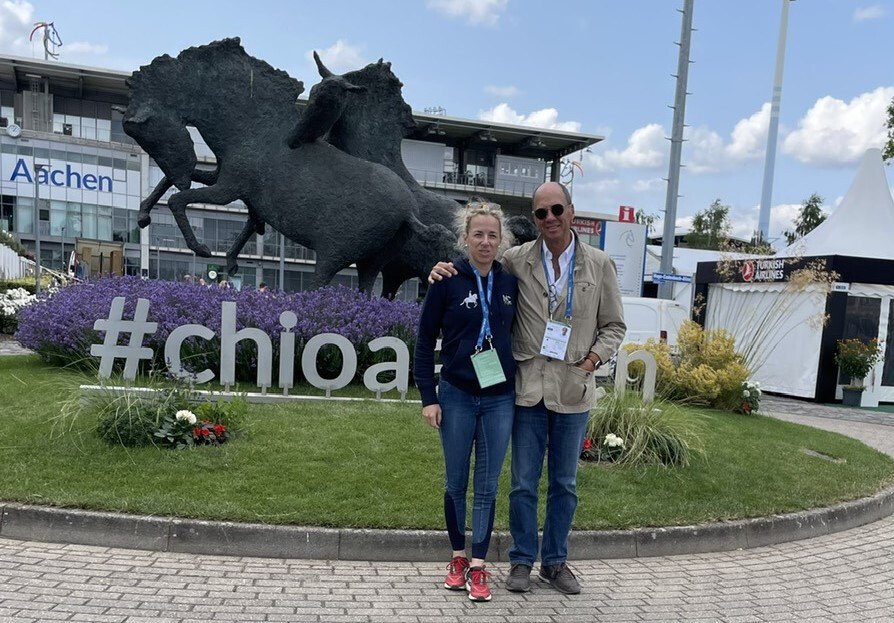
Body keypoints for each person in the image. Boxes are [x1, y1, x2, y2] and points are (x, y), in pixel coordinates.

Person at [429, 182, 626, 595]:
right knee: (521, 482)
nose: (550, 218)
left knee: (565, 485)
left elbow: (614, 326)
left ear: (571, 211)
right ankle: (521, 560)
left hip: (573, 389)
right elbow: (477, 269)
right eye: (541, 213)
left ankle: (554, 562)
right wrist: (441, 268)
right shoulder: (516, 260)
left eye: (557, 210)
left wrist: (592, 361)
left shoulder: (600, 264)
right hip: (526, 390)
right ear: (534, 220)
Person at [414, 200, 518, 602]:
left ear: (501, 240)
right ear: (465, 238)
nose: (486, 241)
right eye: (479, 234)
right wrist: (428, 397)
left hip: (498, 400)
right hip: (455, 396)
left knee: (488, 486)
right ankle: (457, 557)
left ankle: (478, 566)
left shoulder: (510, 283)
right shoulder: (447, 280)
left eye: (493, 235)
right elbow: (424, 344)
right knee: (456, 482)